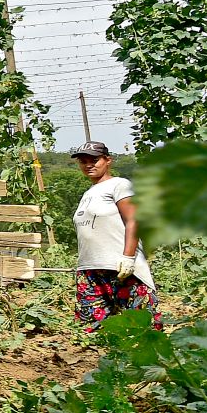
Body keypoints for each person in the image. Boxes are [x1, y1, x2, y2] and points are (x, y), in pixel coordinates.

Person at [70, 141, 161, 331]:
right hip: (91, 270)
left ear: (107, 160)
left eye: (94, 160)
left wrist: (128, 258)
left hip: (121, 268)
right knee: (95, 329)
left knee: (141, 327)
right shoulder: (88, 193)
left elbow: (133, 220)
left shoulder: (119, 185)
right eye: (83, 161)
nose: (88, 165)